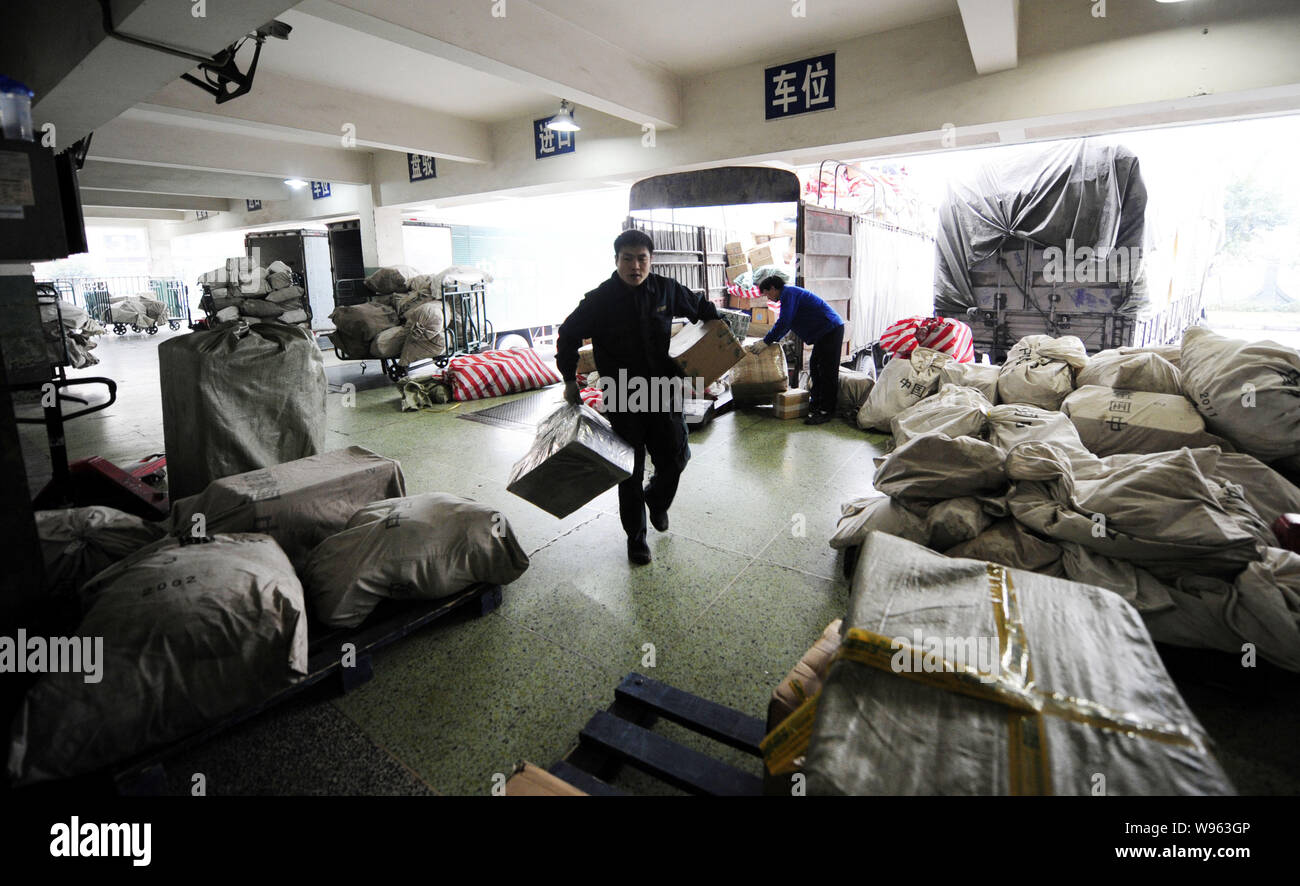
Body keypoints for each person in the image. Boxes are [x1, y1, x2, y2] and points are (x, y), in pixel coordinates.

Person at [556, 229, 725, 565]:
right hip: (622, 393)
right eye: (628, 259)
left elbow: (703, 309)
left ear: (651, 259)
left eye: (642, 258)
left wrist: (716, 344)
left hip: (662, 389)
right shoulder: (600, 300)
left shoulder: (665, 289)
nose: (636, 266)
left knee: (676, 458)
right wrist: (569, 381)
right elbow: (568, 333)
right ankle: (636, 539)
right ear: (617, 260)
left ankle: (657, 500)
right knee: (628, 469)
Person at [749, 274, 845, 425]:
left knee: (827, 371)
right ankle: (816, 404)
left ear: (773, 288)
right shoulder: (788, 295)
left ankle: (826, 411)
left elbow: (785, 321)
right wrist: (773, 338)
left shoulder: (789, 293)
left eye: (767, 293)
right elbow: (786, 322)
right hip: (824, 332)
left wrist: (766, 341)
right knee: (815, 367)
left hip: (831, 329)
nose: (767, 298)